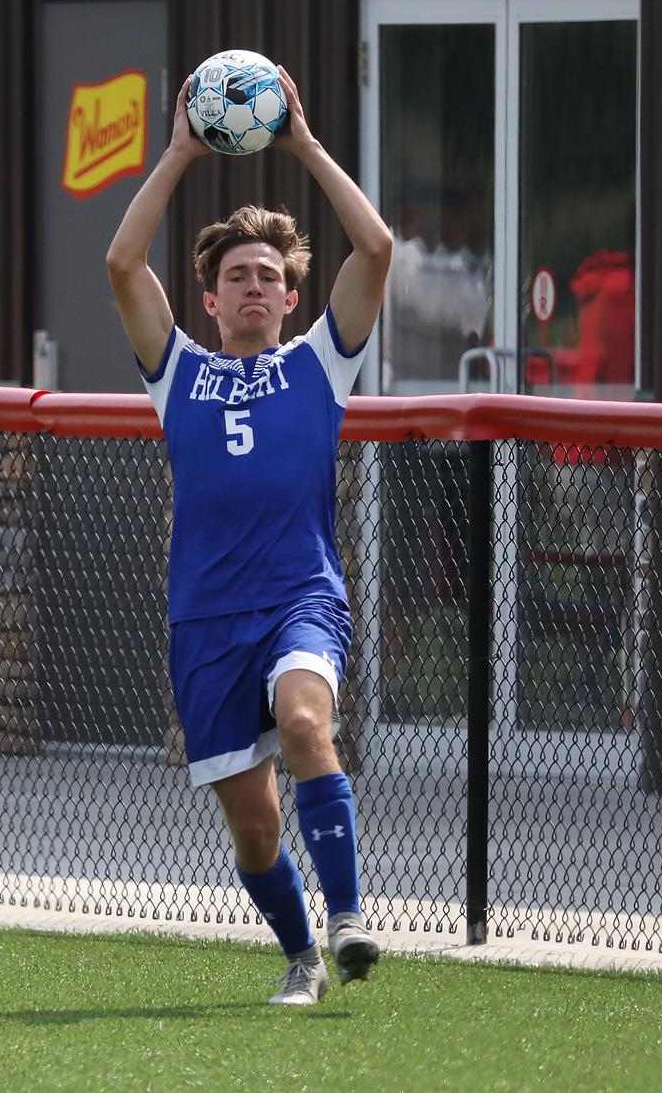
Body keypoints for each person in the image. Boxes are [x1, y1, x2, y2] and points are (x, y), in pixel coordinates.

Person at [105, 65, 392, 1006]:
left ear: (289, 295)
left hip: (300, 595)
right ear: (213, 300)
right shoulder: (175, 370)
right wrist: (182, 150)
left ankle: (349, 919)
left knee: (309, 723)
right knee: (258, 831)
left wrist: (304, 144)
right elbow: (120, 264)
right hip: (205, 621)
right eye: (239, 277)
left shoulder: (321, 364)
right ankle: (302, 955)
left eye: (271, 276)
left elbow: (377, 247)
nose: (257, 287)